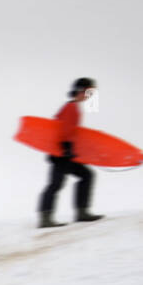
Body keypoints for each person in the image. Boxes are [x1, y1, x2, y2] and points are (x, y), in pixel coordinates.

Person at [38, 77, 104, 228]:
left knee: (86, 175)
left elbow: (64, 129)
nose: (91, 95)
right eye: (89, 91)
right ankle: (45, 218)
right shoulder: (71, 108)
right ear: (81, 90)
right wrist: (67, 148)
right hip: (62, 154)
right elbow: (65, 130)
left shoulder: (71, 107)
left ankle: (81, 212)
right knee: (56, 184)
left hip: (64, 152)